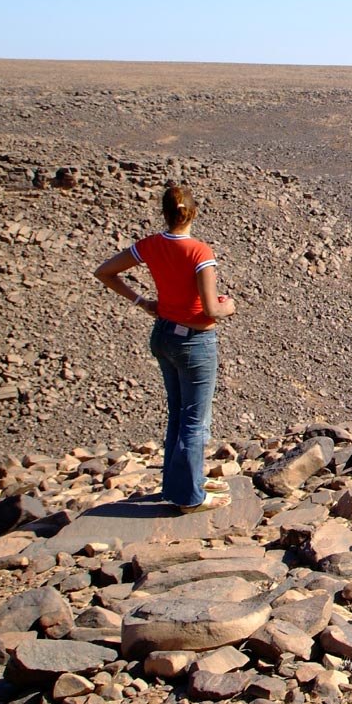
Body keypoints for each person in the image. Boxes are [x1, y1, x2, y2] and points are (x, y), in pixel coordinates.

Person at [94, 183, 237, 512]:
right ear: (194, 213)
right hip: (194, 342)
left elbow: (104, 272)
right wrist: (230, 305)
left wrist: (142, 302)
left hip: (163, 336)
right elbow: (212, 309)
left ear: (165, 212)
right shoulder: (199, 252)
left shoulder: (150, 245)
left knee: (178, 413)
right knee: (195, 421)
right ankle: (190, 498)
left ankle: (179, 486)